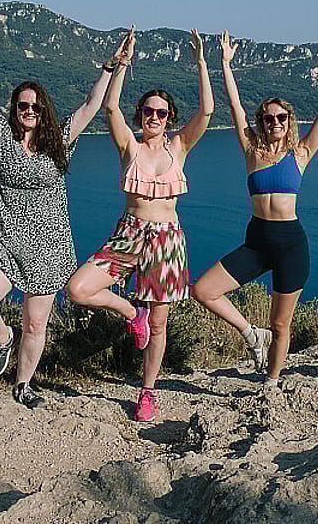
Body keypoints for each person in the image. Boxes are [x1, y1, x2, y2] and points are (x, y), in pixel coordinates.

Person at [0, 10, 128, 409]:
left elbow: (91, 105)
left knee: (36, 323)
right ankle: (3, 338)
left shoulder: (60, 140)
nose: (28, 111)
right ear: (14, 108)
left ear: (43, 109)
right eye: (22, 105)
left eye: (35, 106)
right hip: (5, 241)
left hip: (49, 247)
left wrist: (109, 66)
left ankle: (23, 383)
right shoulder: (0, 135)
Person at [67, 28, 214, 422]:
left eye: (161, 113)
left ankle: (148, 392)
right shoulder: (129, 146)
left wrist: (201, 62)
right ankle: (132, 312)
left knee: (161, 323)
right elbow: (109, 108)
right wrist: (122, 63)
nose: (153, 117)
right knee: (79, 288)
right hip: (129, 234)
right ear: (141, 116)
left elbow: (208, 113)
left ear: (169, 119)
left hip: (166, 240)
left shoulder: (179, 146)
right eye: (147, 112)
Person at [191, 30, 318, 389]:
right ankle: (249, 333)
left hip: (290, 243)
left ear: (289, 121)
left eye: (281, 118)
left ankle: (272, 381)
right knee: (203, 290)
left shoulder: (300, 153)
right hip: (257, 241)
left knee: (281, 324)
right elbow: (234, 106)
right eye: (269, 118)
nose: (275, 123)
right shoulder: (251, 151)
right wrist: (225, 64)